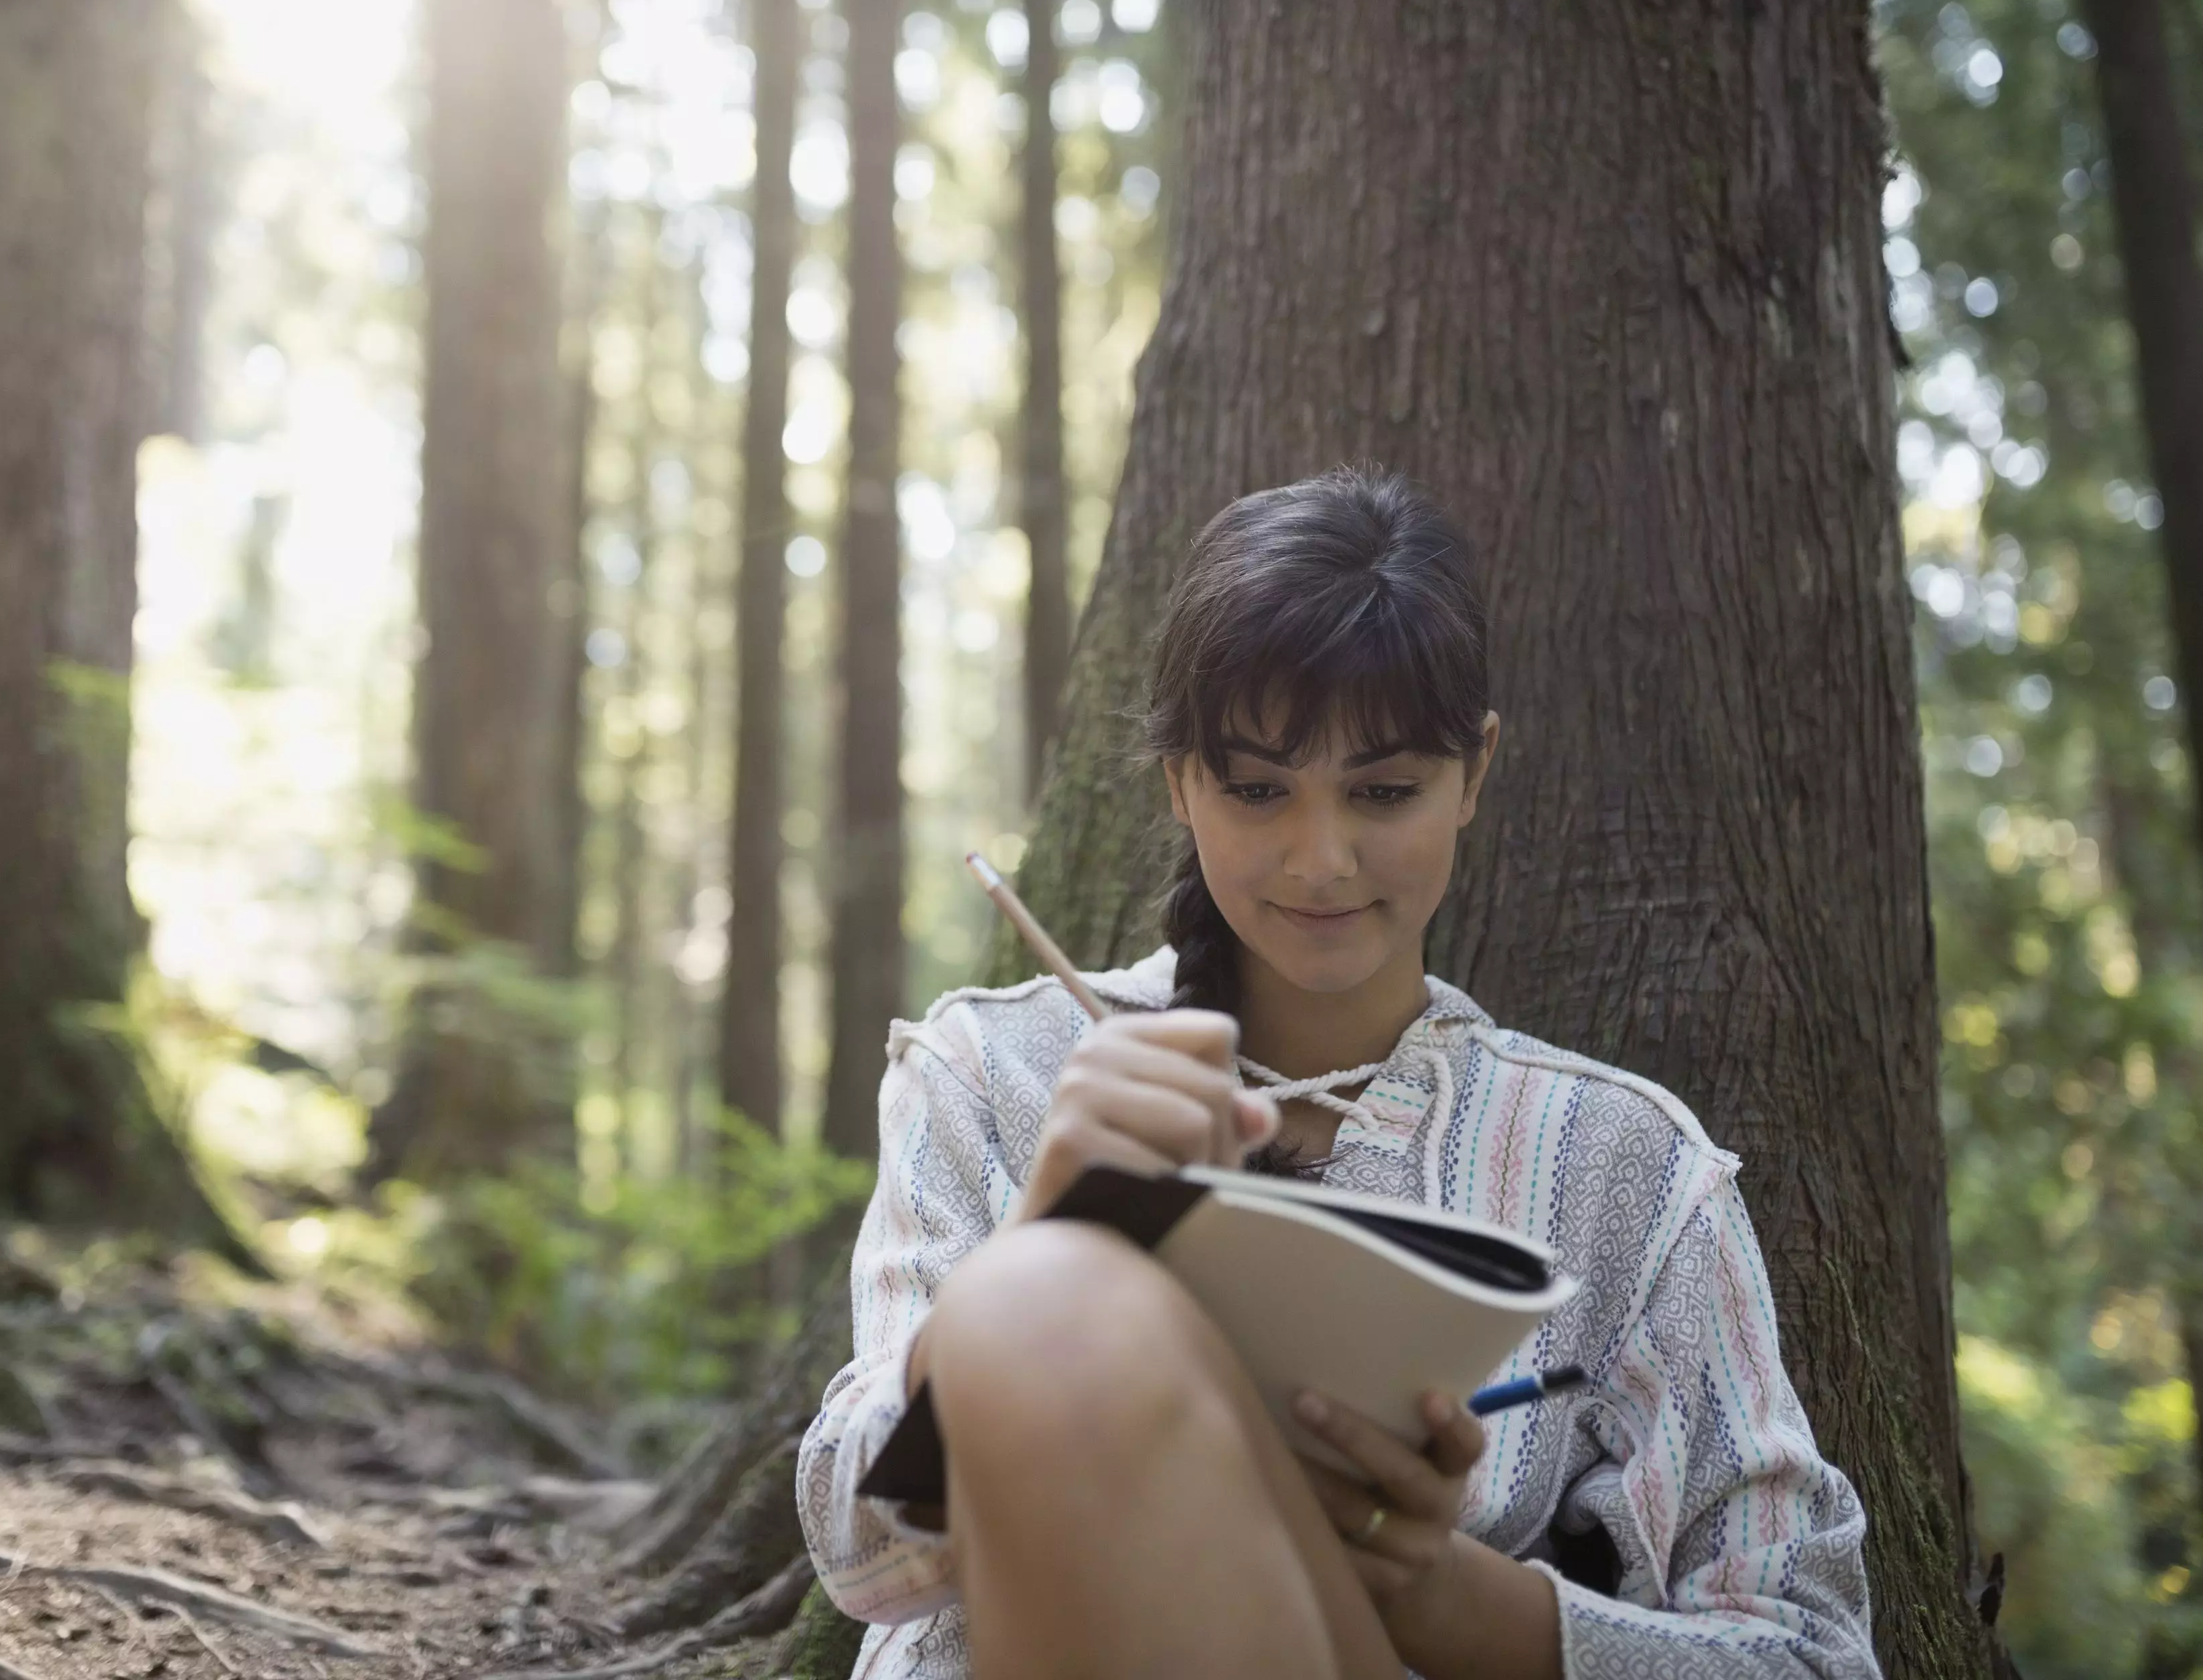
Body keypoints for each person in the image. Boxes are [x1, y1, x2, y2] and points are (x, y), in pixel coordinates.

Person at [793, 469, 1882, 1680]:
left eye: (1384, 791)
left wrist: (1447, 1599)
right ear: (1179, 785)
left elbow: (1814, 1657)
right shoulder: (991, 1072)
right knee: (1048, 1301)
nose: (1321, 858)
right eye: (1259, 790)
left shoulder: (1623, 1167)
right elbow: (859, 1566)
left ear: (1475, 773)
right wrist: (1041, 1248)